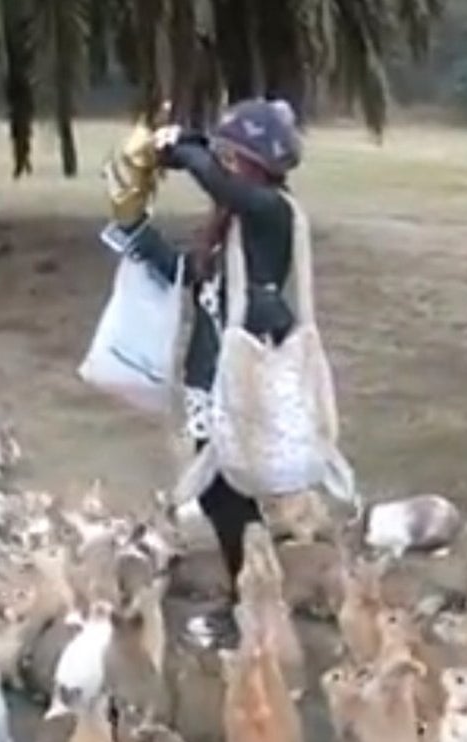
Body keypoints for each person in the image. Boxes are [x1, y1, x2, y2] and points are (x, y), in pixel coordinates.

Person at [101, 97, 308, 644]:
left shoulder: (269, 212)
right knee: (222, 496)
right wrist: (131, 222)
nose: (226, 167)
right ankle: (253, 596)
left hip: (241, 381)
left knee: (229, 494)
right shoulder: (229, 226)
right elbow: (183, 274)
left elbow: (224, 185)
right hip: (209, 379)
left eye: (231, 158)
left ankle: (254, 606)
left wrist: (185, 149)